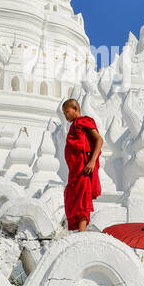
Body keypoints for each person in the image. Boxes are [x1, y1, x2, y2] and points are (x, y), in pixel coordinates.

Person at [61, 98, 102, 232]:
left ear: (76, 109)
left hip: (84, 169)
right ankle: (79, 232)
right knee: (73, 198)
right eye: (64, 113)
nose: (65, 115)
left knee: (82, 200)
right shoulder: (73, 126)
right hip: (75, 171)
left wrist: (92, 161)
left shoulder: (84, 121)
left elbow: (99, 140)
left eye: (67, 112)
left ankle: (82, 233)